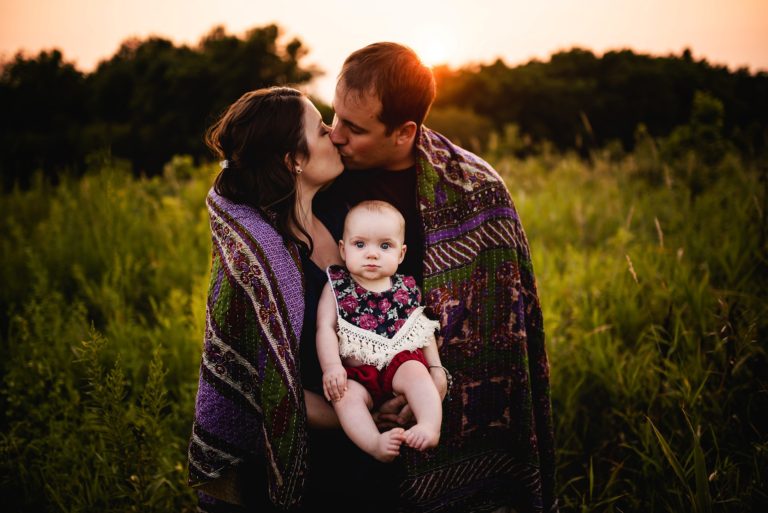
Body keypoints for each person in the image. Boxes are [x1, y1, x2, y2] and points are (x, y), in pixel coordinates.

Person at [315, 42, 559, 512]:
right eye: (335, 115)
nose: (336, 134)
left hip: (435, 393)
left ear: (404, 131)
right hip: (342, 410)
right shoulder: (325, 174)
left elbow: (499, 330)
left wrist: (428, 382)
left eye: (355, 127)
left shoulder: (476, 191)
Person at [187, 86, 349, 512]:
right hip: (306, 456)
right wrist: (356, 419)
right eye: (319, 129)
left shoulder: (341, 215)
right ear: (293, 160)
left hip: (365, 442)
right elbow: (270, 389)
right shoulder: (260, 259)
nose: (334, 132)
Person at [316, 200, 444, 461]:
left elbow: (421, 328)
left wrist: (436, 367)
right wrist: (331, 366)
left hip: (400, 364)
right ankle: (374, 442)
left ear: (401, 253)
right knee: (345, 397)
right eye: (360, 244)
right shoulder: (336, 286)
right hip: (357, 374)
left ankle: (430, 426)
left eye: (385, 246)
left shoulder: (406, 287)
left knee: (417, 373)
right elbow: (325, 328)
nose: (372, 254)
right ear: (343, 248)